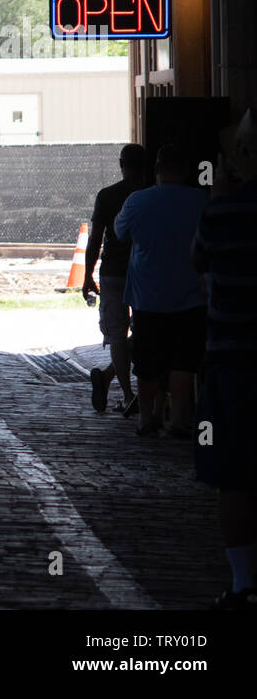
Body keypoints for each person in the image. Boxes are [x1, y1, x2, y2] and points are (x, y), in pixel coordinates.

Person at [191, 109, 257, 608]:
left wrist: (218, 196)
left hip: (232, 362)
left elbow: (201, 265)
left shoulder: (221, 215)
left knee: (233, 475)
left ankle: (243, 583)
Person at [114, 144, 209, 437]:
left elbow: (120, 233)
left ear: (156, 169)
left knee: (147, 363)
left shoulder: (136, 201)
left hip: (148, 296)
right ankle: (179, 422)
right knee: (184, 362)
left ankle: (146, 419)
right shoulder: (201, 200)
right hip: (190, 296)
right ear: (186, 171)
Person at [83, 143, 147, 414]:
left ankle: (126, 391)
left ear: (121, 165)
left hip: (113, 273)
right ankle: (124, 388)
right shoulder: (150, 195)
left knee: (118, 336)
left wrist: (87, 275)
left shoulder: (107, 196)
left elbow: (96, 239)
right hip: (146, 272)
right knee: (149, 330)